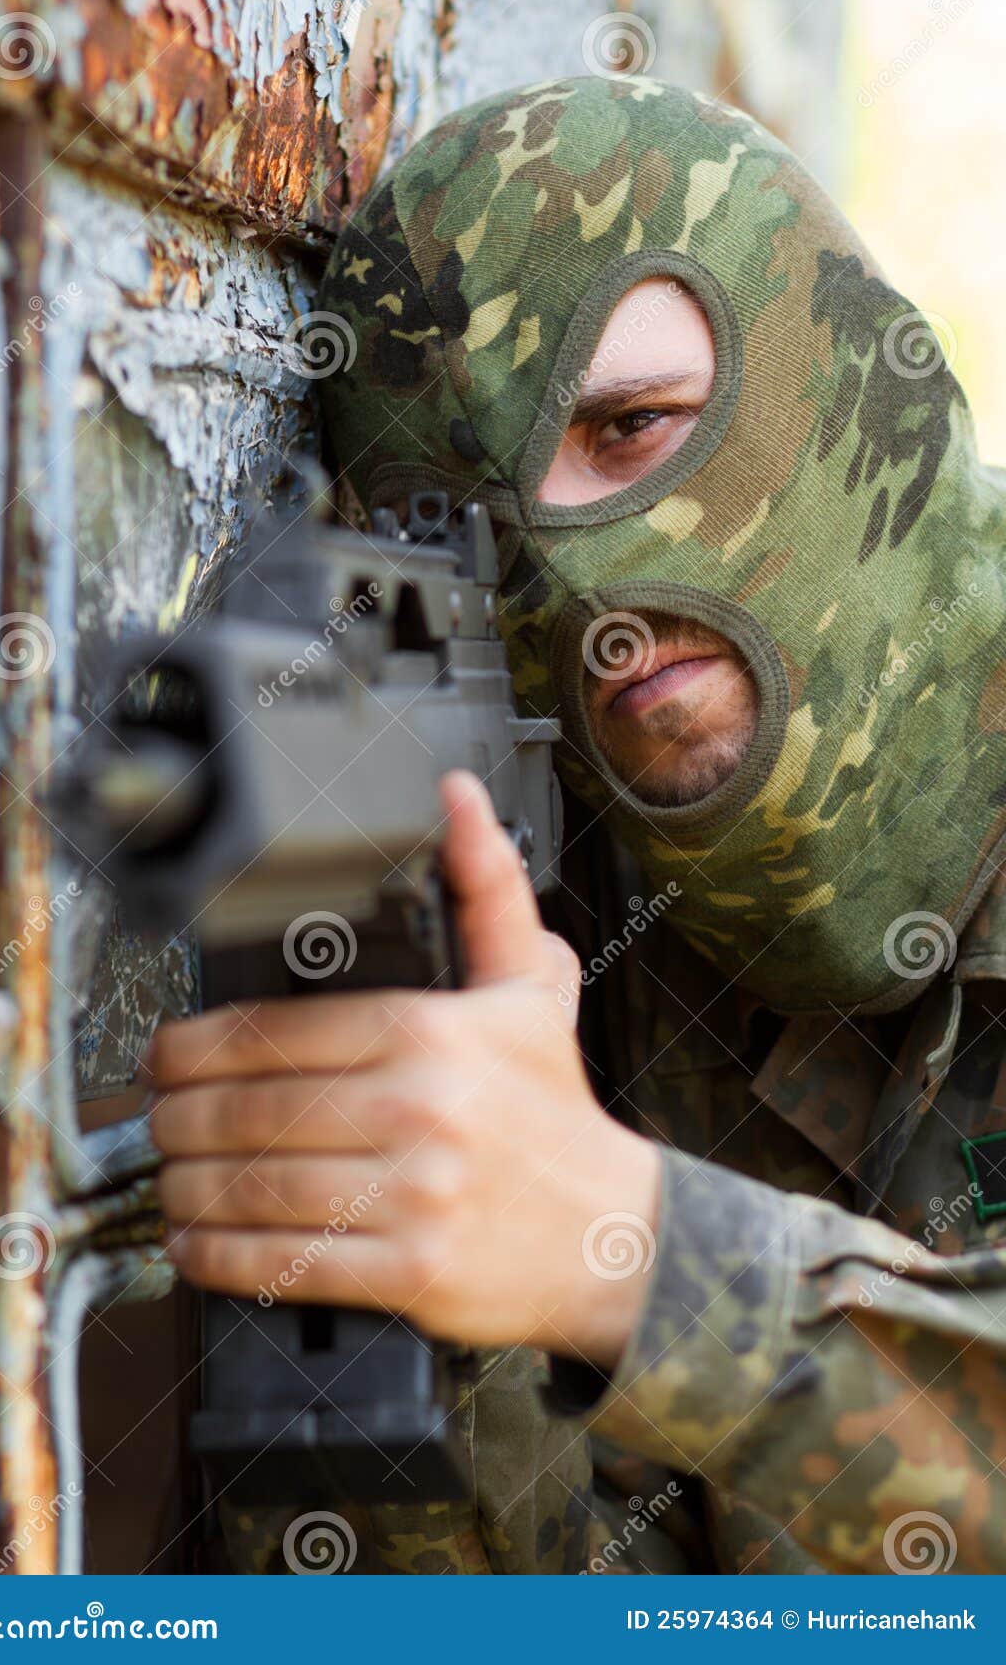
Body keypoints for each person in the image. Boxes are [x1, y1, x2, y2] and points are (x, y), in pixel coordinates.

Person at [149, 76, 1006, 1574]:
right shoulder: (584, 920)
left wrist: (632, 1258)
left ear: (862, 380)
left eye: (634, 430)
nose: (584, 589)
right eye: (479, 530)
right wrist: (377, 1314)